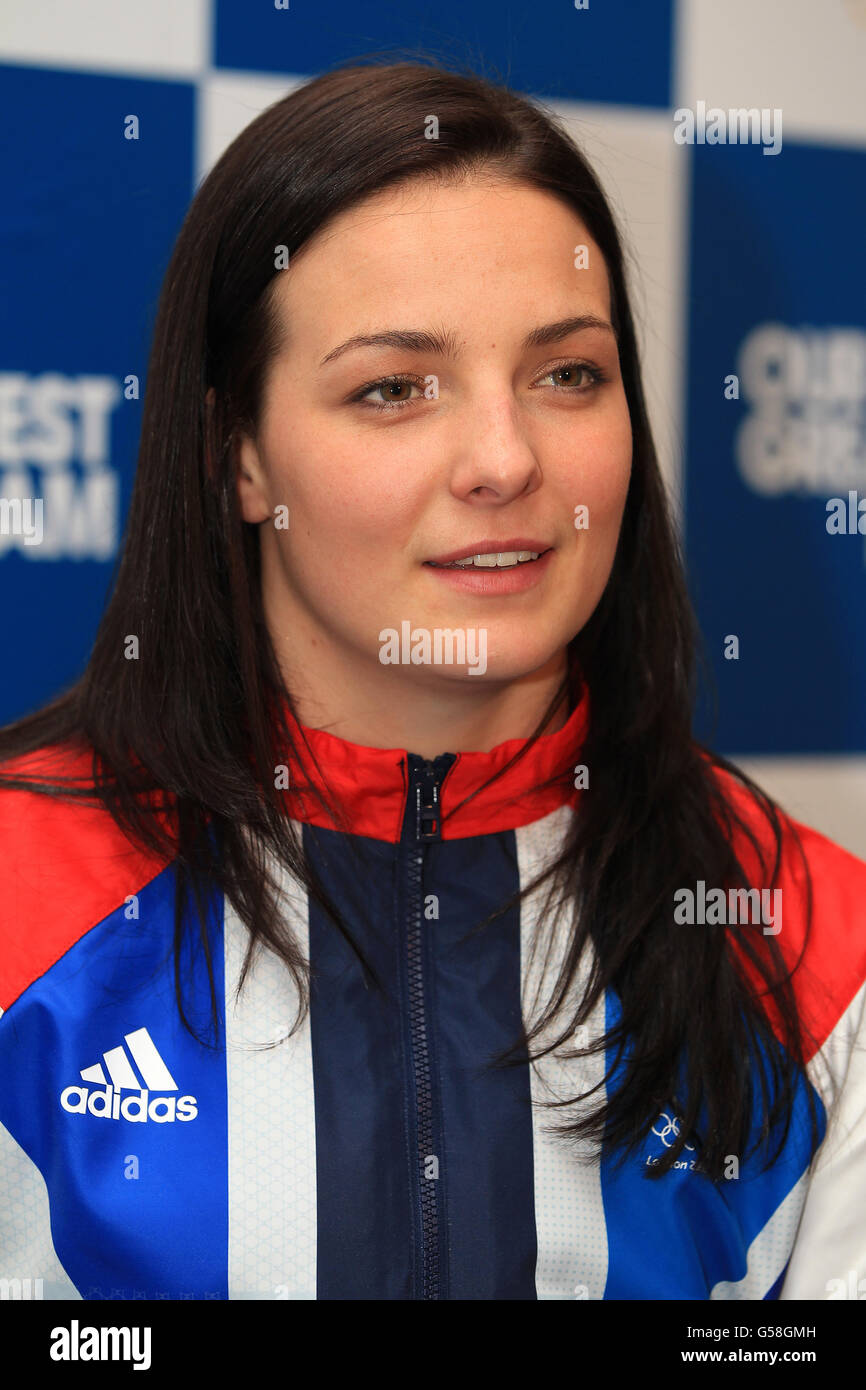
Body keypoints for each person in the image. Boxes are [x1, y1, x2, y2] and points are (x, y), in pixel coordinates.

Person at [0, 57, 864, 1302]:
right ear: (236, 457)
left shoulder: (810, 954)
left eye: (567, 373)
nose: (504, 459)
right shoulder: (25, 897)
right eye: (393, 388)